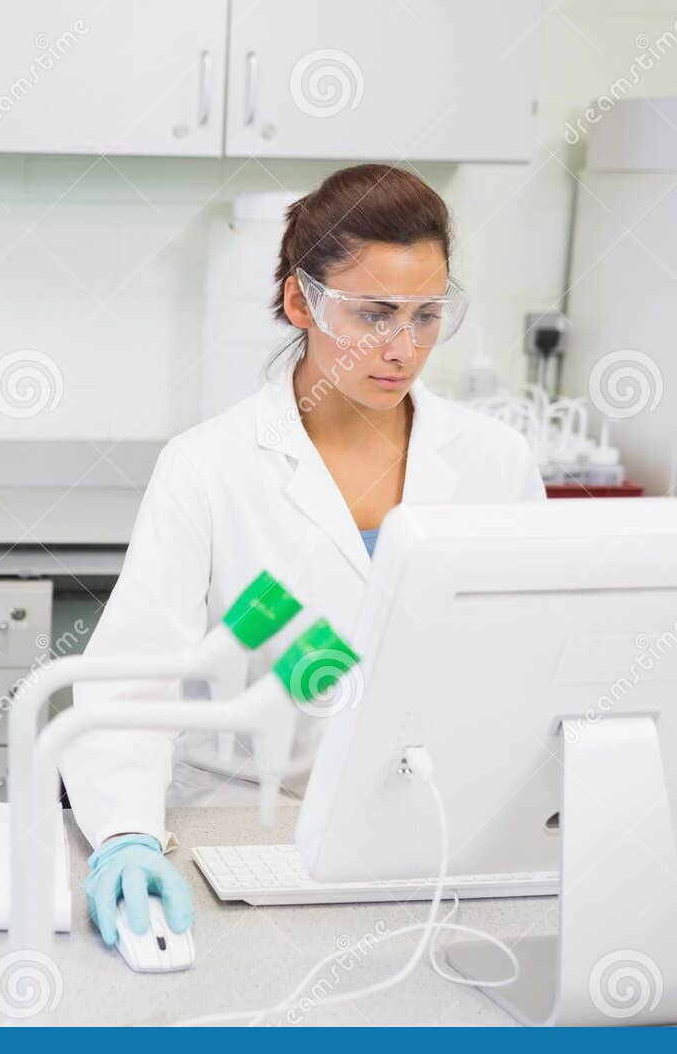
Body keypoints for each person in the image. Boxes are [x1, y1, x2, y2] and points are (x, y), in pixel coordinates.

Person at [60, 164, 544, 950]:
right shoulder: (209, 468)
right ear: (299, 301)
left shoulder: (496, 462)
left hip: (437, 835)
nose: (404, 348)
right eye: (375, 314)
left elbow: (536, 668)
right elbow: (130, 680)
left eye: (427, 316)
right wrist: (125, 835)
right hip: (243, 823)